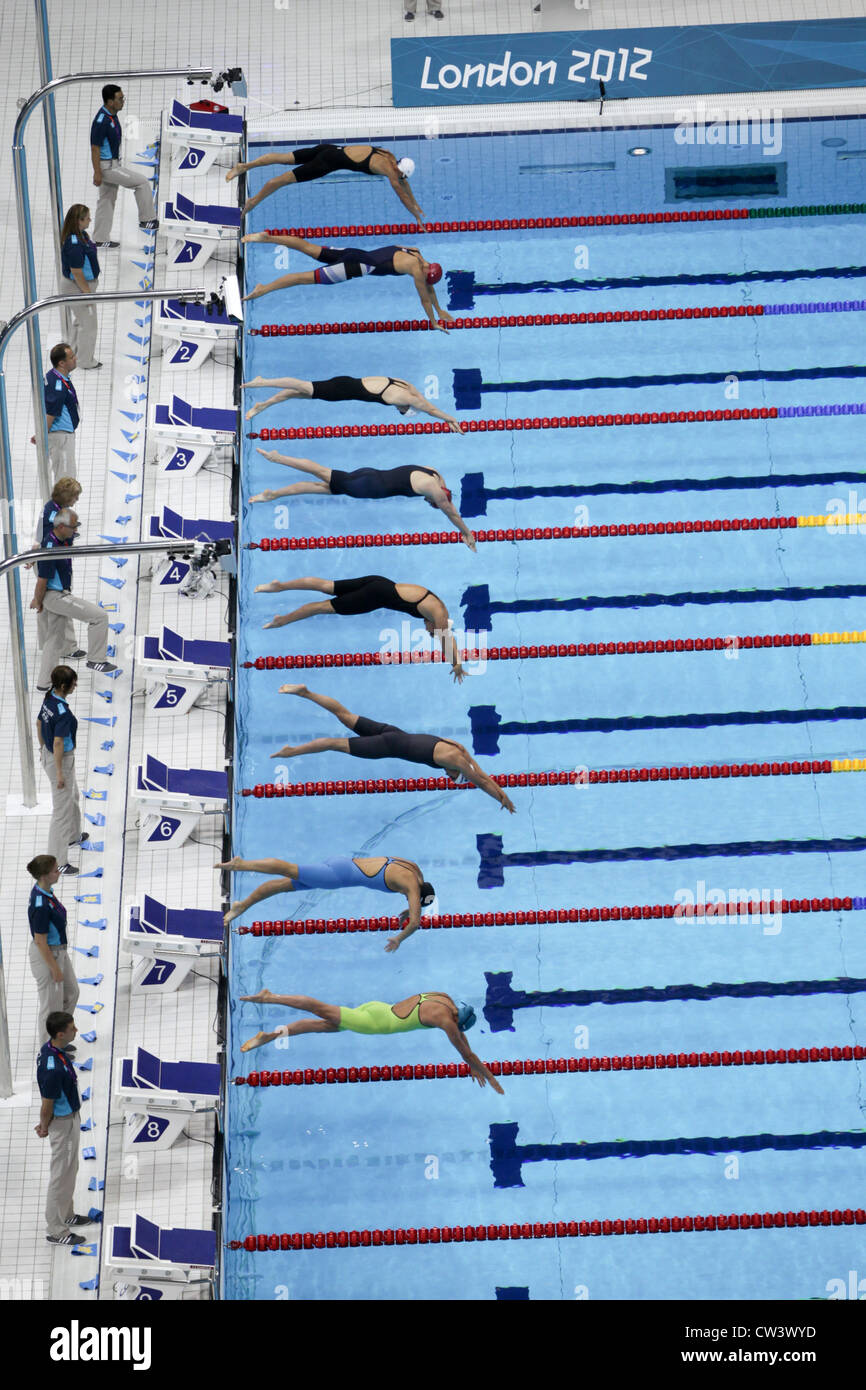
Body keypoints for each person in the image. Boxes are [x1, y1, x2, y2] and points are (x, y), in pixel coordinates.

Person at [270, 684, 515, 812]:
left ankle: (306, 692)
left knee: (345, 715)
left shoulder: (459, 750)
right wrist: (498, 798)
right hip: (388, 745)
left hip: (393, 731)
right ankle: (293, 751)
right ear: (457, 773)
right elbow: (480, 782)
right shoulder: (456, 763)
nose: (448, 777)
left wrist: (503, 797)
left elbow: (482, 774)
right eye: (454, 779)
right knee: (334, 745)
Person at [238, 988, 504, 1093]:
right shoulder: (446, 1022)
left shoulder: (443, 998)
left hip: (378, 1008)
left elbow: (464, 1046)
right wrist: (490, 1077)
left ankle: (272, 1036)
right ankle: (270, 997)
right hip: (374, 1024)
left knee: (322, 1027)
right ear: (457, 1023)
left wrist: (470, 1060)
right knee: (320, 1009)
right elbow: (465, 1052)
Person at [255, 574, 466, 681]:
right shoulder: (439, 614)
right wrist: (456, 663)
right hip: (375, 596)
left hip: (379, 582)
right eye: (430, 631)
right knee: (322, 608)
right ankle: (282, 620)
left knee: (327, 586)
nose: (428, 630)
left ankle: (280, 586)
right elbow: (446, 639)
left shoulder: (435, 605)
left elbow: (444, 635)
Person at [249, 450, 475, 547]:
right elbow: (451, 512)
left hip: (370, 474)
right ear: (436, 499)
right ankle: (279, 459)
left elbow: (447, 500)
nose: (427, 502)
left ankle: (273, 494)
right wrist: (466, 533)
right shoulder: (432, 491)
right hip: (366, 487)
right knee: (320, 473)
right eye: (430, 503)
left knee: (318, 487)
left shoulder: (433, 474)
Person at [218, 853, 435, 947]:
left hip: (342, 863)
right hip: (336, 878)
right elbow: (415, 922)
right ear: (416, 894)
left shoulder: (415, 872)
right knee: (288, 869)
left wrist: (408, 908)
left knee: (283, 886)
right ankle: (242, 865)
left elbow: (414, 901)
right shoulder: (411, 887)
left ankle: (242, 906)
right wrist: (399, 938)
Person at [241, 232, 451, 329]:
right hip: (354, 268)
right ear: (425, 274)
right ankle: (263, 289)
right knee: (301, 279)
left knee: (307, 247)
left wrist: (440, 309)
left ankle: (268, 238)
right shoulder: (416, 271)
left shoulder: (415, 253)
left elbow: (428, 288)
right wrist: (433, 321)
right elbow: (424, 297)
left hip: (354, 253)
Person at [226, 144, 425, 226]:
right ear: (399, 170)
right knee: (280, 181)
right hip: (326, 163)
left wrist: (416, 204)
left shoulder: (388, 155)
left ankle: (243, 167)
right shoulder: (391, 173)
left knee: (282, 158)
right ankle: (252, 203)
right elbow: (401, 193)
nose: (400, 177)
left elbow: (404, 184)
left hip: (328, 149)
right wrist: (414, 214)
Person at [30, 509, 118, 689]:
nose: (75, 531)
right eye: (73, 527)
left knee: (54, 640)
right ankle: (96, 659)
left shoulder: (61, 538)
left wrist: (33, 553)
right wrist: (37, 601)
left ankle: (44, 683)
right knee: (99, 617)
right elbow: (42, 581)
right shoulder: (50, 549)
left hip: (59, 593)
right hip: (55, 596)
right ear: (61, 527)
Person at [35, 1012, 96, 1245]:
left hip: (68, 1118)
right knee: (61, 1176)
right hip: (63, 1123)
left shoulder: (52, 1049)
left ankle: (67, 1215)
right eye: (72, 1028)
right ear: (61, 1034)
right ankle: (56, 1230)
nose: (76, 1031)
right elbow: (46, 1103)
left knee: (70, 1170)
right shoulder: (53, 1070)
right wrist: (44, 1125)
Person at [242, 373, 463, 431]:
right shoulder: (402, 397)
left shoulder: (406, 386)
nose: (399, 409)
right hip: (342, 390)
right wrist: (450, 419)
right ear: (407, 407)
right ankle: (264, 381)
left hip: (346, 384)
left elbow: (422, 400)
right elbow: (430, 408)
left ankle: (263, 406)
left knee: (296, 393)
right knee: (302, 386)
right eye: (402, 411)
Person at [90, 83, 158, 246]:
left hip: (111, 164)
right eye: (120, 99)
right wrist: (97, 172)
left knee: (106, 200)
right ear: (110, 101)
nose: (123, 101)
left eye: (123, 98)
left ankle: (100, 239)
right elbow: (95, 148)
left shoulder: (111, 115)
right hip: (109, 168)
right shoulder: (102, 121)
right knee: (141, 182)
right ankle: (147, 220)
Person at [26, 478, 85, 660]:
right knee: (61, 600)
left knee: (45, 601)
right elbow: (48, 538)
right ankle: (67, 648)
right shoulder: (55, 516)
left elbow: (40, 535)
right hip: (52, 562)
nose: (76, 500)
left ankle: (47, 643)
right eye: (75, 497)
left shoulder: (50, 506)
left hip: (46, 558)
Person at [35, 666, 85, 872]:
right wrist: (58, 772)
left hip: (49, 755)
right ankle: (58, 862)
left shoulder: (50, 698)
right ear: (64, 685)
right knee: (61, 813)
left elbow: (38, 724)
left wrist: (41, 749)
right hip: (60, 761)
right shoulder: (62, 713)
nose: (76, 685)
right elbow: (58, 742)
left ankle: (73, 836)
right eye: (74, 683)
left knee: (73, 796)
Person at [27, 854, 80, 1032]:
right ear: (44, 876)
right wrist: (54, 968)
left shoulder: (46, 890)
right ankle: (48, 1049)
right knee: (51, 1010)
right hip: (48, 955)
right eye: (55, 871)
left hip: (59, 952)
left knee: (72, 993)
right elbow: (40, 940)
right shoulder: (41, 904)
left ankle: (60, 1037)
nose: (59, 873)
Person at [58, 205, 102, 368]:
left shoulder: (80, 235)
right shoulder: (74, 244)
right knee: (89, 325)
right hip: (78, 287)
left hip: (81, 285)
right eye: (87, 218)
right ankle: (85, 361)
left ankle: (74, 352)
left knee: (82, 321)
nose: (90, 220)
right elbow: (76, 272)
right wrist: (88, 294)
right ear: (79, 221)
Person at [31, 344, 79, 481]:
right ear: (61, 363)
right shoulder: (57, 385)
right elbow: (51, 413)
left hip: (61, 435)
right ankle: (62, 503)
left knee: (65, 476)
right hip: (61, 437)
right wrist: (41, 435)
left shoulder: (57, 378)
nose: (75, 359)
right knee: (65, 479)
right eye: (71, 357)